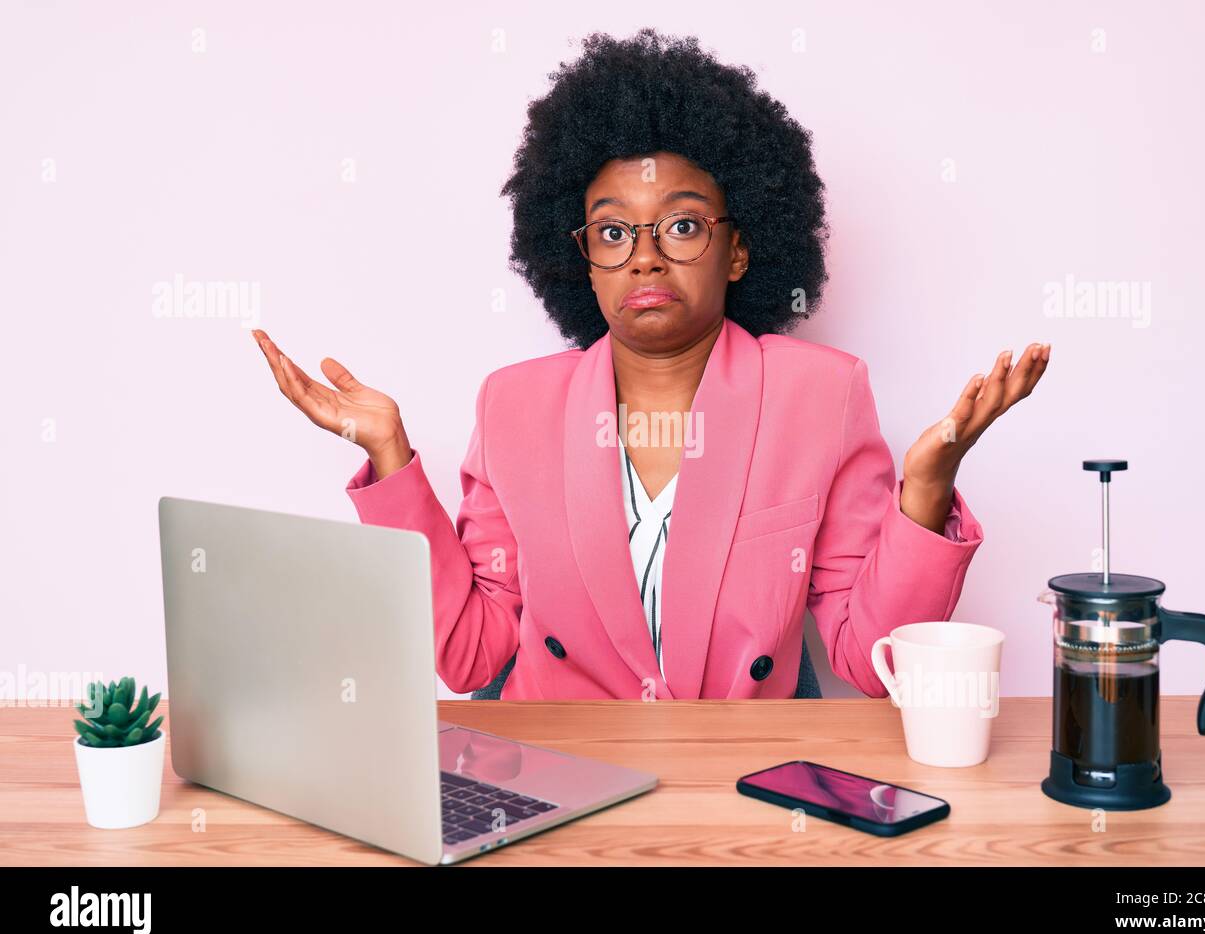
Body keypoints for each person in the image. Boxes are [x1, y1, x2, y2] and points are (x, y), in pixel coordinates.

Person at [251, 29, 1048, 700]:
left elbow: (871, 662)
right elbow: (471, 655)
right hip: (557, 784)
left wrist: (926, 493)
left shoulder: (821, 394)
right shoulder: (513, 407)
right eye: (612, 232)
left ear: (738, 250)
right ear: (581, 260)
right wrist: (391, 459)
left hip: (737, 787)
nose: (644, 259)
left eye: (682, 226)